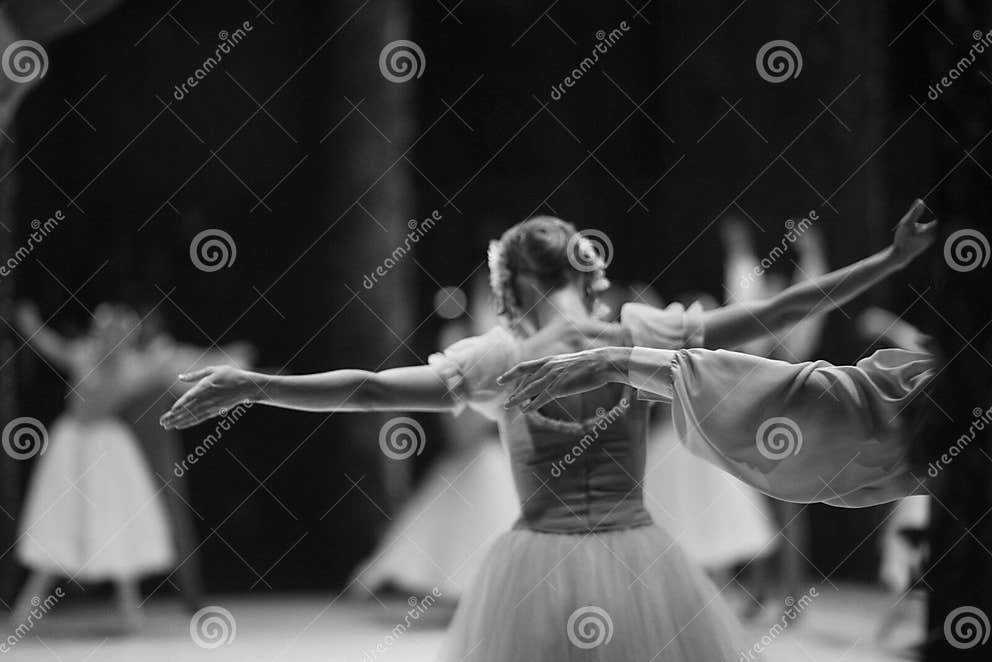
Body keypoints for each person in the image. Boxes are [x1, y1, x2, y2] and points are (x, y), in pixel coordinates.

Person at [160, 206, 933, 660]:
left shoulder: (499, 357)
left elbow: (367, 391)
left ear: (507, 286)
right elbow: (775, 314)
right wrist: (887, 259)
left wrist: (257, 387)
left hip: (532, 563)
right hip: (641, 560)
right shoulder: (636, 329)